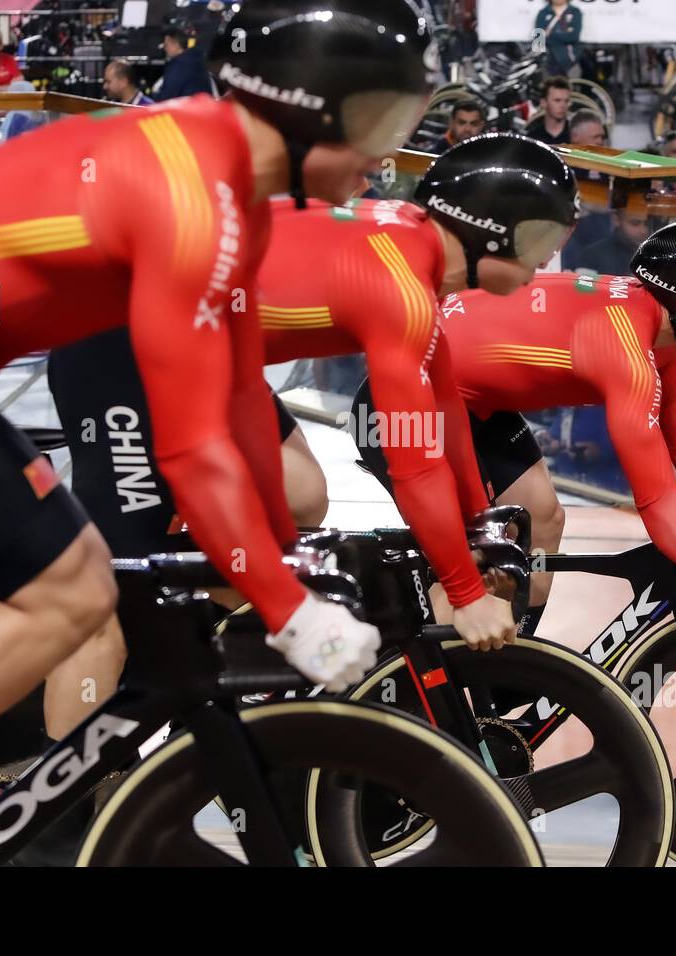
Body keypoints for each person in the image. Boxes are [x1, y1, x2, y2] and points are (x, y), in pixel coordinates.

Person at [0, 0, 436, 865]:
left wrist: (276, 564)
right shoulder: (196, 196)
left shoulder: (234, 195)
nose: (387, 153)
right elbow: (191, 447)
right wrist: (283, 606)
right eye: (378, 122)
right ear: (302, 112)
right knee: (74, 587)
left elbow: (236, 409)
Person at [48, 135, 580, 709]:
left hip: (205, 355)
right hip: (118, 348)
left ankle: (197, 631)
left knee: (301, 497)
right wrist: (465, 588)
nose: (545, 265)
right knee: (112, 599)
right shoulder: (401, 286)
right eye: (540, 242)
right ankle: (76, 791)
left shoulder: (419, 259)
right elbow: (415, 464)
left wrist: (479, 528)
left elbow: (446, 410)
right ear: (489, 231)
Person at [361, 220, 676, 633]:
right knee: (477, 560)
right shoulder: (625, 346)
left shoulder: (661, 332)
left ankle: (513, 668)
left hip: (470, 401)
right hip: (406, 399)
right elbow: (655, 496)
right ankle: (435, 689)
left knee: (541, 519)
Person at [569, 207, 650, 276]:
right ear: (616, 220)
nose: (643, 230)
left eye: (647, 223)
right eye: (635, 223)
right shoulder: (591, 256)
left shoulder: (654, 255)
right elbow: (584, 292)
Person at [153, 25, 212, 102]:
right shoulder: (197, 61)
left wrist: (154, 96)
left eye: (166, 45)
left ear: (176, 44)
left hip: (184, 111)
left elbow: (167, 97)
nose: (165, 49)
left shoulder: (179, 66)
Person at [534, 0, 583, 78]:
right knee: (548, 87)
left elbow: (573, 37)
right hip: (547, 62)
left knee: (572, 87)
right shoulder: (543, 12)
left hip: (570, 60)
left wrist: (549, 35)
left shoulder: (575, 12)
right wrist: (563, 35)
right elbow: (538, 41)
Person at [526, 76, 572, 146]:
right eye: (557, 100)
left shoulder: (576, 135)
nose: (563, 105)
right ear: (544, 102)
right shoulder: (532, 139)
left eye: (566, 101)